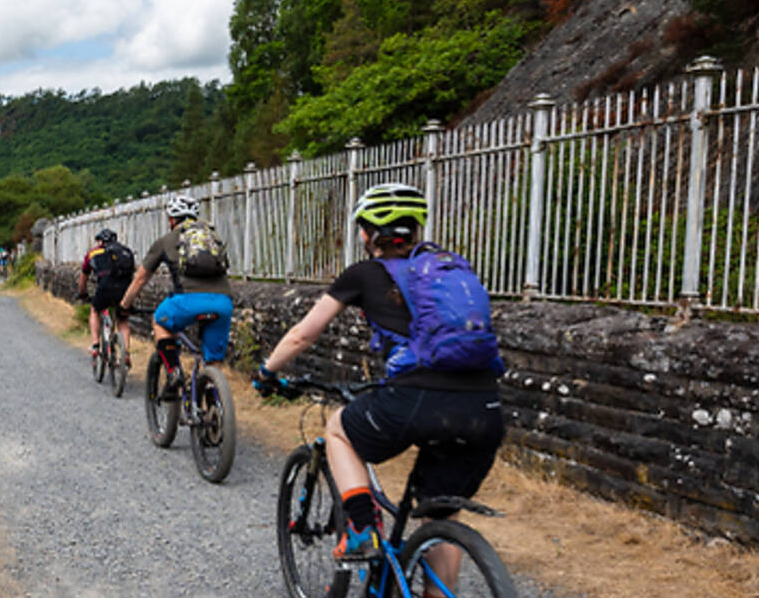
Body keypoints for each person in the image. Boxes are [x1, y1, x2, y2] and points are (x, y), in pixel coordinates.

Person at [250, 181, 505, 567]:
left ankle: (361, 529)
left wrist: (266, 372)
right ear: (415, 228)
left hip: (417, 396)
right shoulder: (448, 270)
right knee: (442, 516)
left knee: (338, 430)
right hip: (484, 405)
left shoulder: (363, 274)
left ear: (367, 234)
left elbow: (304, 334)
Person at [119, 194, 232, 382]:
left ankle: (173, 372)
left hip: (187, 301)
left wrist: (124, 305)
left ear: (171, 219)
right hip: (223, 302)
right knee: (213, 361)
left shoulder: (166, 240)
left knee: (160, 322)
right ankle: (214, 393)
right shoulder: (213, 237)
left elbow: (140, 279)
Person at [78, 227, 136, 365]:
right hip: (125, 288)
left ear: (100, 241)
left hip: (105, 286)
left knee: (94, 310)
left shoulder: (93, 253)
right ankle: (126, 354)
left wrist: (82, 293)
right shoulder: (124, 251)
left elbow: (83, 277)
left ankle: (95, 345)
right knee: (122, 319)